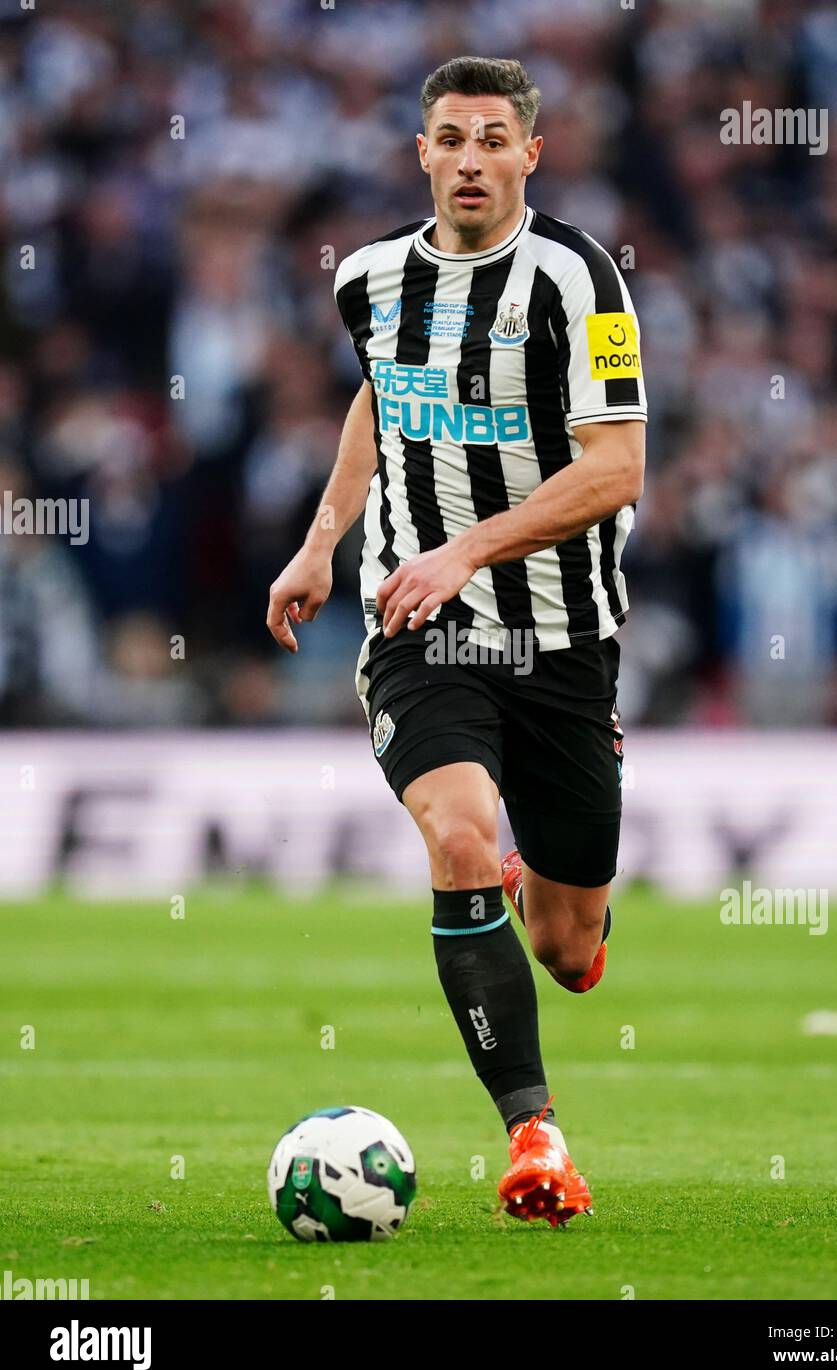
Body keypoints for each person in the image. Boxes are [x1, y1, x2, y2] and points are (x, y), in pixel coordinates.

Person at [267, 56, 646, 1226]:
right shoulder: (371, 278)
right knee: (459, 834)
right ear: (420, 152)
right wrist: (322, 540)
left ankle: (545, 895)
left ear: (532, 154)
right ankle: (535, 1138)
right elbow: (381, 399)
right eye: (450, 138)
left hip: (562, 639)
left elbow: (616, 467)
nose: (471, 159)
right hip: (420, 624)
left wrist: (469, 544)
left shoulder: (582, 282)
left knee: (571, 951)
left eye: (494, 139)